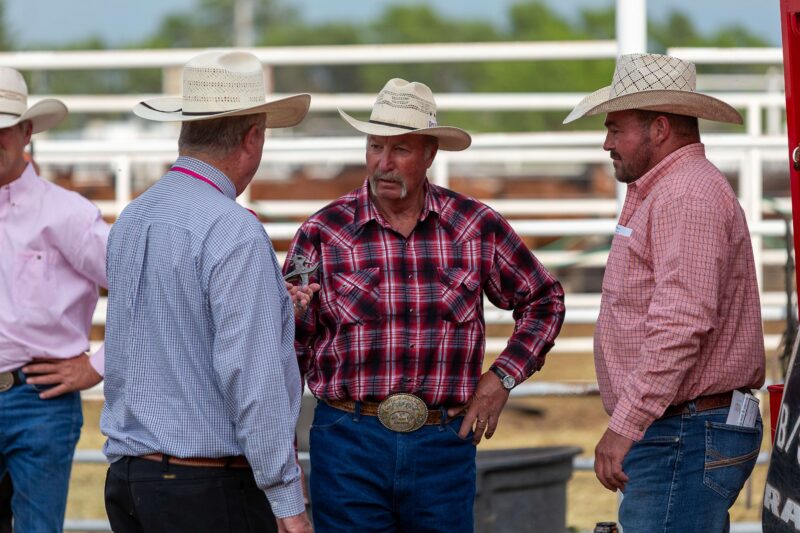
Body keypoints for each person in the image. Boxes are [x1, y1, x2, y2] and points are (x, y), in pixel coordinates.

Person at [284, 78, 566, 532]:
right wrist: (281, 451)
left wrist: (500, 379)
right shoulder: (323, 232)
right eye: (376, 147)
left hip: (442, 439)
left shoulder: (476, 226)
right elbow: (292, 342)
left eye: (401, 150)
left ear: (430, 154)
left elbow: (543, 299)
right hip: (348, 439)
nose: (384, 163)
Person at [101, 51, 313, 533]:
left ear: (185, 131)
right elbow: (250, 375)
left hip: (132, 476)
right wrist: (287, 498)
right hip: (205, 487)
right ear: (253, 137)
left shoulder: (133, 218)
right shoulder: (232, 230)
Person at [563, 53, 766, 532]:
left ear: (658, 128)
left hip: (683, 429)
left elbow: (681, 322)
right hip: (682, 425)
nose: (606, 142)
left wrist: (625, 426)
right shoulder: (673, 190)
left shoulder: (684, 196)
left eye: (616, 129)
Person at [0, 66, 107, 532]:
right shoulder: (67, 213)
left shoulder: (68, 215)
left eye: (1, 127)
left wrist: (98, 365)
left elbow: (147, 289)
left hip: (37, 397)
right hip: (35, 397)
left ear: (25, 130)